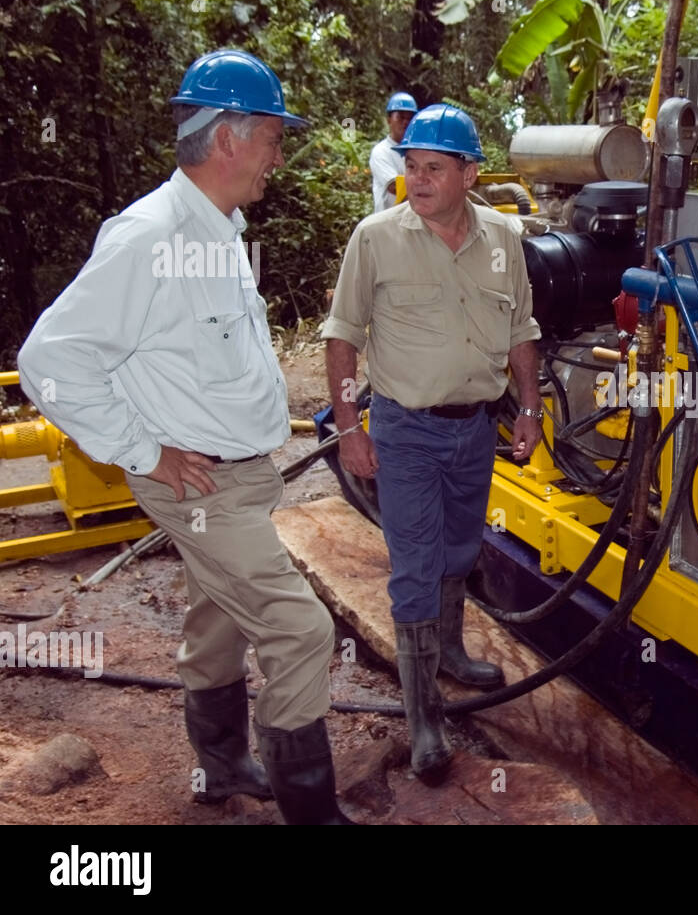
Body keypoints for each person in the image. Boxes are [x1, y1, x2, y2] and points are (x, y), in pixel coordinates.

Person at [17, 49, 353, 825]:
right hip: (196, 484)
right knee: (301, 630)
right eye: (273, 134)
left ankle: (224, 766)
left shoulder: (219, 230)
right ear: (230, 137)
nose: (279, 152)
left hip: (237, 474)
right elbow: (51, 359)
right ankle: (313, 809)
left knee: (220, 613)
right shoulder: (149, 235)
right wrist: (144, 450)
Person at [322, 103, 543, 783]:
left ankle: (449, 652)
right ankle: (424, 718)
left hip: (476, 429)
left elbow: (522, 332)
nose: (417, 180)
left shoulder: (505, 237)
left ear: (470, 175)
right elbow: (341, 336)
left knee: (459, 550)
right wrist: (350, 425)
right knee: (415, 570)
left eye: (434, 169)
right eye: (412, 166)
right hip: (405, 430)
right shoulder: (377, 237)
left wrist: (530, 409)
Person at [369, 92, 418, 213]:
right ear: (389, 120)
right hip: (387, 224)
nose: (406, 122)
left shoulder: (418, 151)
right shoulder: (381, 151)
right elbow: (395, 187)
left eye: (410, 118)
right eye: (400, 117)